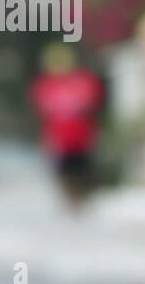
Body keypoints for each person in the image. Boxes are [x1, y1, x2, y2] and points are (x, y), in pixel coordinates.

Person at [29, 45, 103, 210]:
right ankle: (70, 198)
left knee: (83, 169)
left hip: (82, 137)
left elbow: (92, 105)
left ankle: (82, 196)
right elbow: (42, 110)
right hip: (60, 139)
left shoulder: (83, 81)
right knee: (63, 171)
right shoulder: (45, 85)